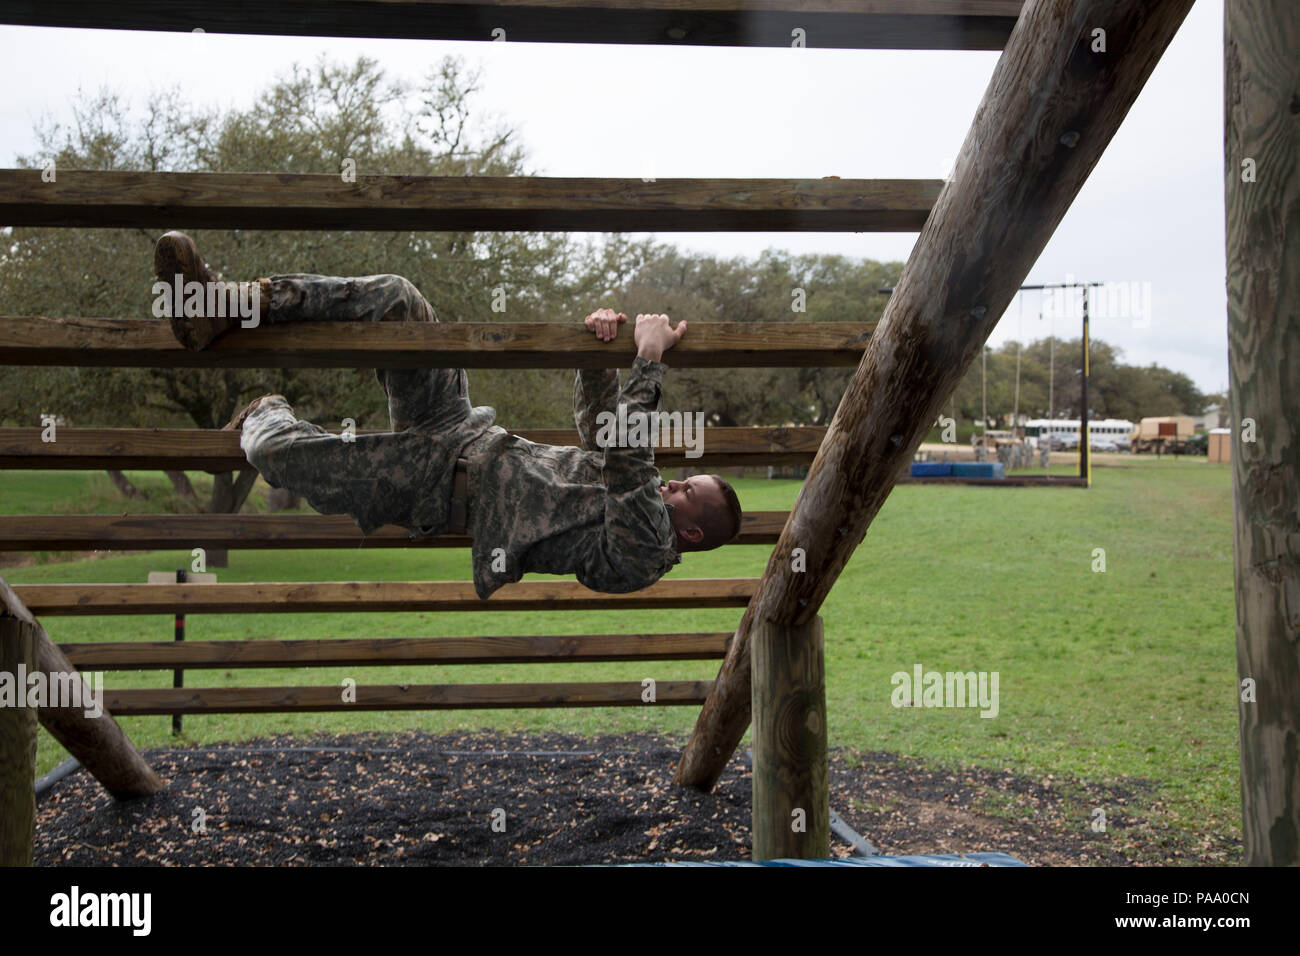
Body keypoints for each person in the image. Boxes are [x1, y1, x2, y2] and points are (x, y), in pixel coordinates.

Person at [151, 231, 744, 599]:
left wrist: (647, 358)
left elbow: (628, 461)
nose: (674, 480)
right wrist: (599, 352)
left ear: (690, 531)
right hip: (462, 427)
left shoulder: (643, 553)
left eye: (685, 490)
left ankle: (260, 409)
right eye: (681, 479)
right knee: (398, 297)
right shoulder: (634, 494)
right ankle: (227, 304)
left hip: (433, 487)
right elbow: (601, 435)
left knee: (270, 451)